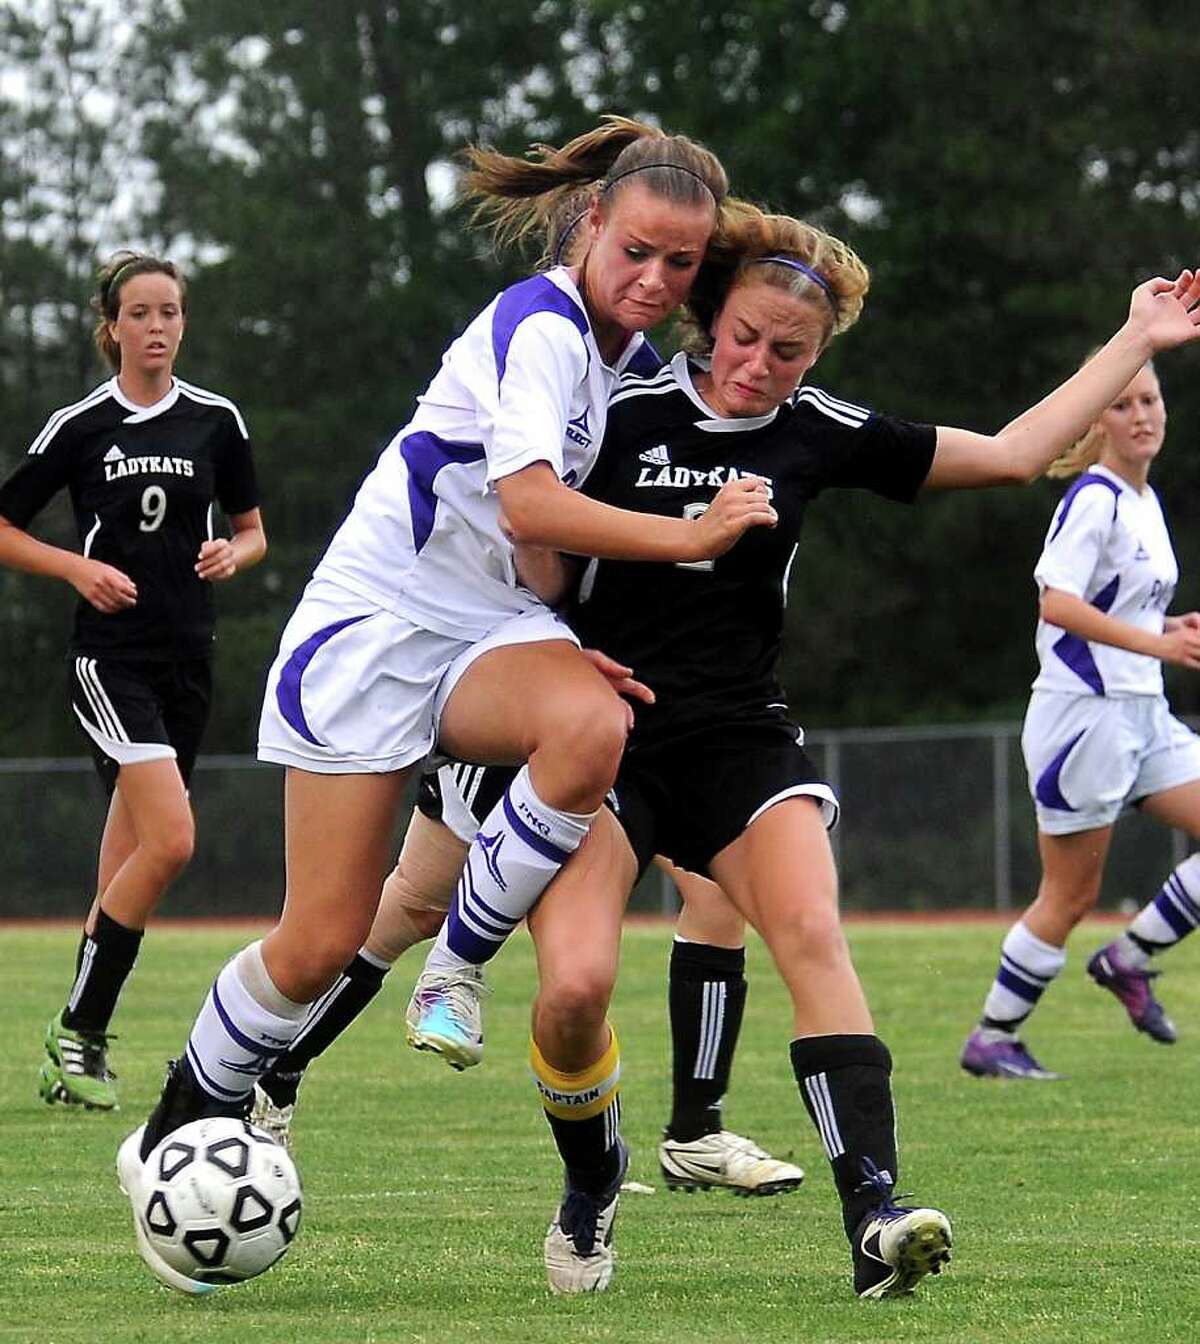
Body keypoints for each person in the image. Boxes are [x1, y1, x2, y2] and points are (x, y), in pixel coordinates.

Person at [385, 208, 1200, 1297]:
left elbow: (1010, 455)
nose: (761, 367)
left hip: (739, 740)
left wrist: (1138, 338)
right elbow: (512, 522)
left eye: (791, 352)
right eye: (746, 339)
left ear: (817, 358)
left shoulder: (815, 429)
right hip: (602, 738)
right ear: (705, 321)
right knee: (575, 991)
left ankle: (878, 1213)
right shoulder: (613, 412)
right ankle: (593, 1183)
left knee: (815, 933)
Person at [114, 117, 777, 1294]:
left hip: (484, 638)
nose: (655, 280)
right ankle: (175, 1125)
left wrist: (575, 645)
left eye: (681, 265)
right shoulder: (540, 328)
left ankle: (455, 972)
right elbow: (525, 506)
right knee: (316, 942)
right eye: (637, 251)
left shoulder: (626, 363)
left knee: (589, 723)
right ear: (588, 228)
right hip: (376, 632)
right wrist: (690, 536)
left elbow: (535, 555)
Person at [247, 761, 806, 1198]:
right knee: (418, 905)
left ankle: (693, 1133)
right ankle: (273, 1075)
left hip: (638, 719)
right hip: (533, 723)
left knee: (713, 890)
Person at [0, 251, 265, 1113]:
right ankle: (78, 1035)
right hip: (109, 662)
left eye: (171, 312)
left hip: (189, 660)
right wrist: (76, 572)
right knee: (173, 843)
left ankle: (73, 1048)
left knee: (123, 867)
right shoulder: (80, 426)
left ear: (184, 321)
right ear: (111, 326)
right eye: (141, 313)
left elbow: (254, 532)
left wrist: (235, 550)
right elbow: (5, 528)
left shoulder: (216, 421)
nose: (158, 328)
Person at [961, 358, 1200, 1080]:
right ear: (1098, 419)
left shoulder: (1143, 497)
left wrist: (1165, 625)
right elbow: (1057, 604)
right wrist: (1159, 642)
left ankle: (1128, 959)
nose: (1142, 415)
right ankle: (993, 1038)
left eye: (1150, 400)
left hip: (1141, 712)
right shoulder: (1094, 497)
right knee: (1069, 896)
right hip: (1084, 721)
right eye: (1123, 404)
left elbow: (1121, 604)